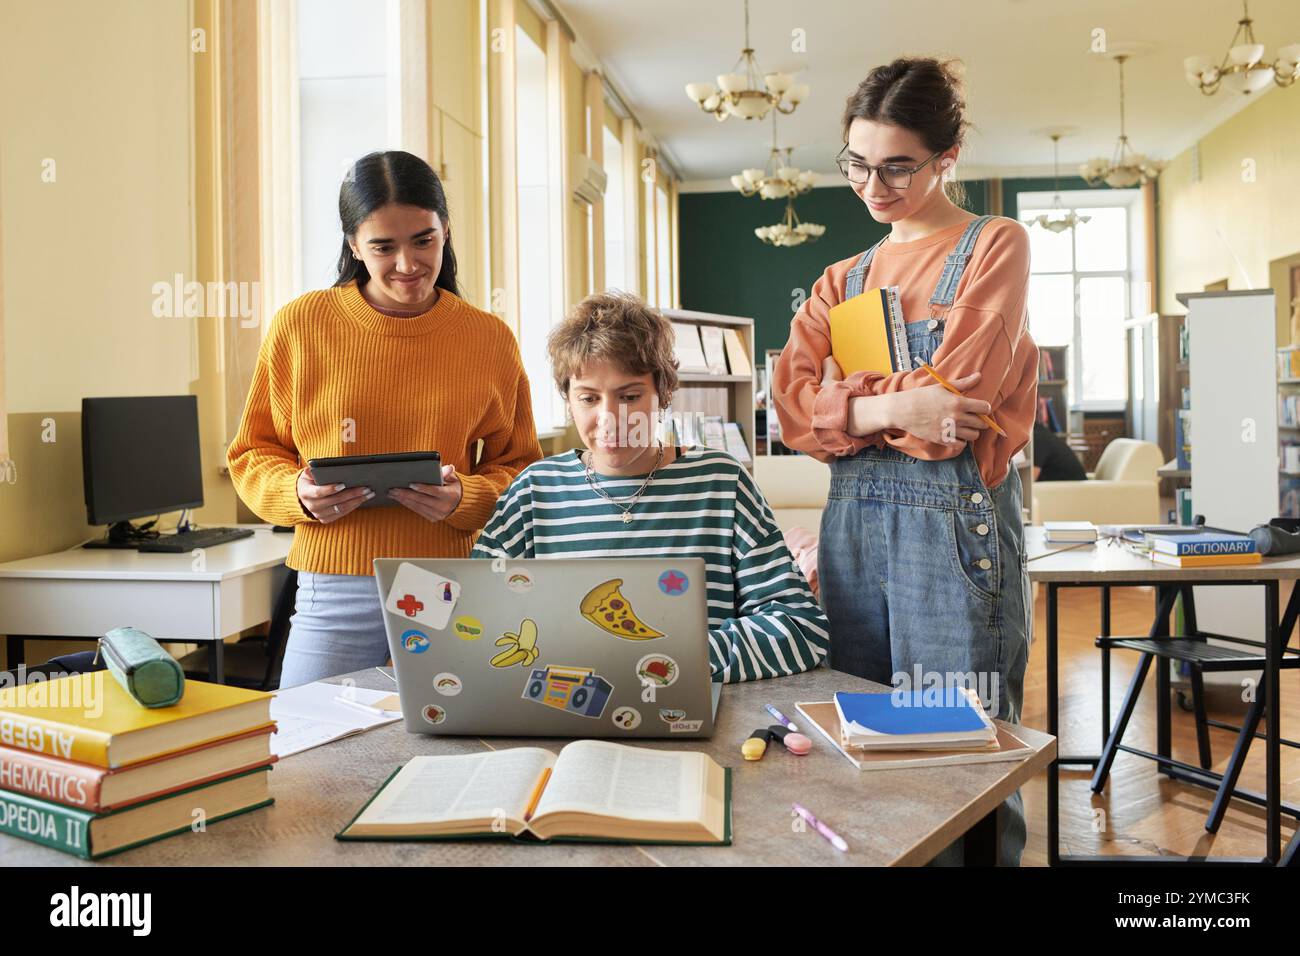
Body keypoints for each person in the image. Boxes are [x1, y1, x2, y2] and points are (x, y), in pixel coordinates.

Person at [771, 57, 1038, 865]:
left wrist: (846, 406)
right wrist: (894, 406)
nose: (872, 186)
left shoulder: (995, 245)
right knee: (861, 739)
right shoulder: (840, 278)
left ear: (945, 157)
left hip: (954, 545)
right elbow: (787, 411)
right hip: (852, 540)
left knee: (962, 751)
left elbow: (952, 415)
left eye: (897, 167)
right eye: (857, 163)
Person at [228, 150, 542, 688]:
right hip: (333, 584)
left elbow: (522, 469)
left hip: (450, 582)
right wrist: (296, 493)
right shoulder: (301, 325)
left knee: (448, 750)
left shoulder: (488, 337)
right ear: (353, 245)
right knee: (311, 758)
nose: (407, 264)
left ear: (447, 230)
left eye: (424, 240)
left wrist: (464, 498)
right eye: (383, 247)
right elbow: (252, 454)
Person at [472, 291, 829, 682]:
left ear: (663, 392)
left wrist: (675, 659)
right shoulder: (534, 491)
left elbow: (802, 629)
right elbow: (475, 618)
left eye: (629, 396)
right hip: (566, 711)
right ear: (568, 401)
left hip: (698, 714)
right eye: (589, 398)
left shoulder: (721, 483)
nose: (609, 419)